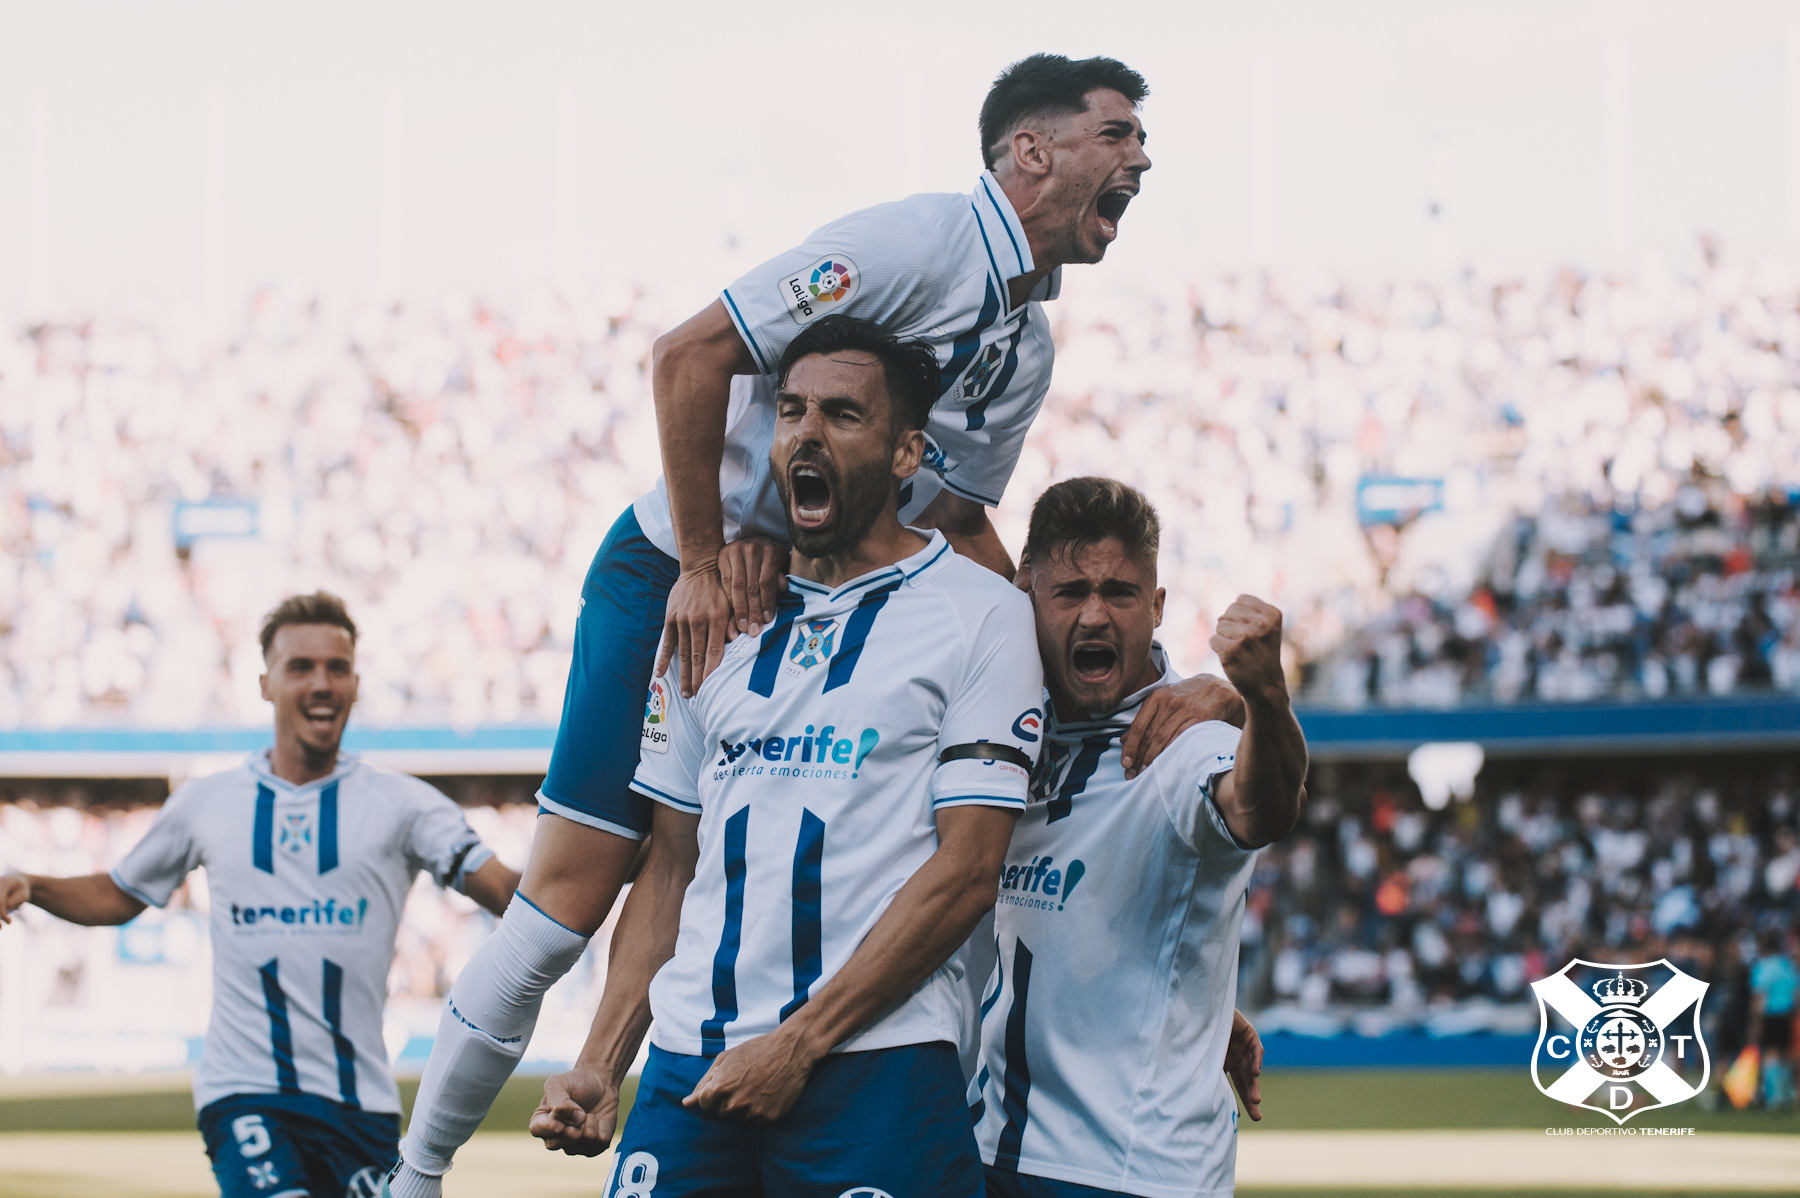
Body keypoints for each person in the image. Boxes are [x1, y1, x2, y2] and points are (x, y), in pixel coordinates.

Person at [395, 52, 1243, 1193]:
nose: (1142, 156)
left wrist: (1161, 678)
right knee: (567, 906)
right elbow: (688, 356)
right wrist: (704, 561)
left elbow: (959, 531)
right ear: (1029, 153)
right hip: (681, 568)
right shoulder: (918, 246)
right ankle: (416, 1171)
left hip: (821, 594)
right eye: (1117, 134)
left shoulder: (1025, 347)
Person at [522, 315, 1042, 1192]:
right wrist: (604, 1060)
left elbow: (967, 871)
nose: (805, 430)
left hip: (874, 1065)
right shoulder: (713, 619)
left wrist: (798, 1043)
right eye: (791, 409)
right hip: (691, 1070)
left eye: (842, 414)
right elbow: (671, 866)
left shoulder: (980, 614)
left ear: (908, 453)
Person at [0, 592, 521, 1198]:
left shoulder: (404, 805)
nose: (321, 683)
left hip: (362, 1107)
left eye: (337, 668)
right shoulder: (207, 801)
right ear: (265, 684)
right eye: (300, 667)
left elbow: (507, 892)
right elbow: (120, 894)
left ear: (356, 683)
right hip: (245, 1094)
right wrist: (33, 885)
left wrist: (614, 844)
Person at [970, 478, 1306, 1197]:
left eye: (1119, 593)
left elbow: (1260, 808)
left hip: (1125, 1173)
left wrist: (1265, 699)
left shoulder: (1182, 743)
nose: (1094, 615)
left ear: (1156, 607)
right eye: (1069, 593)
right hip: (990, 1151)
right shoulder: (1005, 723)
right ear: (1025, 593)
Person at [1750, 929, 1798, 1112]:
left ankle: (1773, 1098)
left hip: (1770, 1013)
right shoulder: (1788, 965)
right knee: (1786, 1054)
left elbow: (1759, 995)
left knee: (1770, 1054)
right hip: (1788, 1013)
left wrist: (1755, 1021)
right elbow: (1795, 993)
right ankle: (1786, 1095)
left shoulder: (1763, 966)